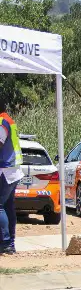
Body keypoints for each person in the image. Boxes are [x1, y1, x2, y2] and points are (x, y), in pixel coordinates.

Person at [0, 106, 21, 256]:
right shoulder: (9, 120)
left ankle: (6, 243)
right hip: (12, 170)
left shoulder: (1, 122)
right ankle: (10, 243)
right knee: (7, 207)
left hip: (5, 170)